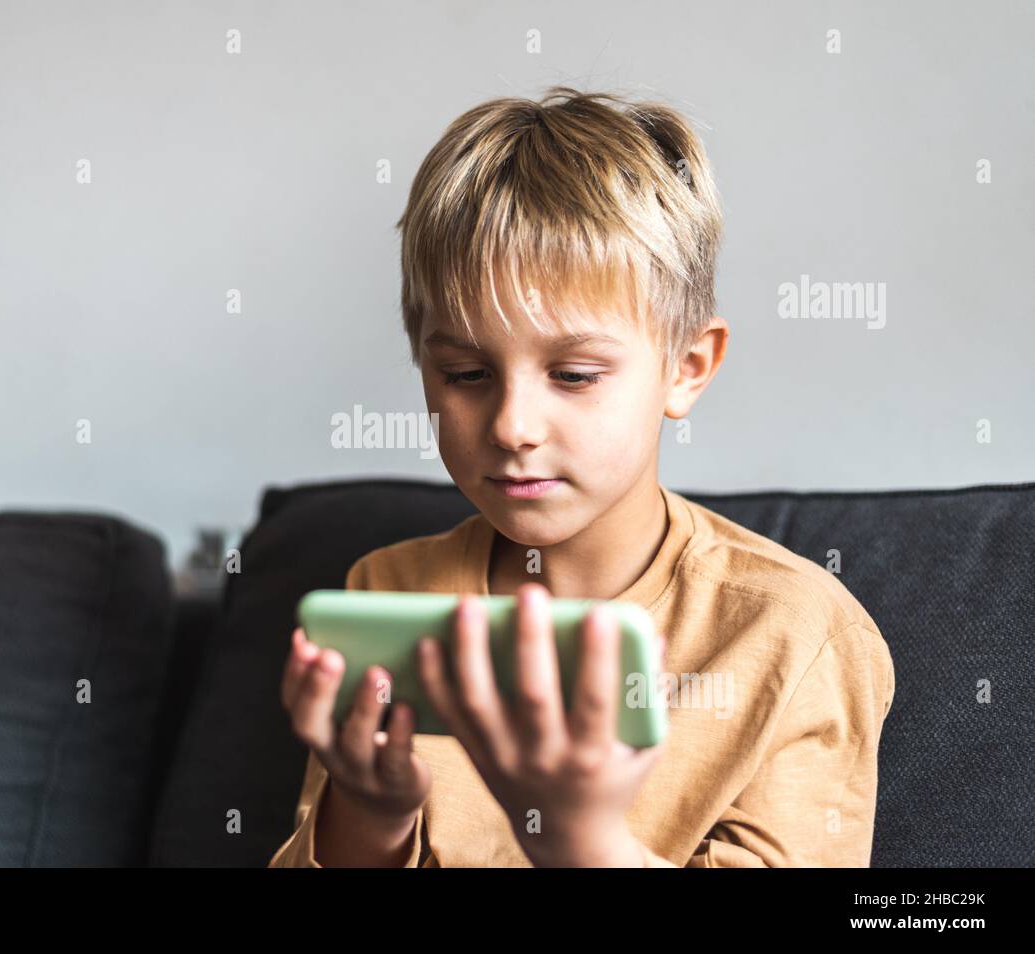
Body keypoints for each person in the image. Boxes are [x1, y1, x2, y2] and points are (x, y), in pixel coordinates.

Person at [269, 87, 895, 867]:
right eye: (465, 374)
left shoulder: (790, 634)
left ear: (686, 368)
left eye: (572, 374)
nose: (512, 426)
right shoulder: (387, 591)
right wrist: (369, 817)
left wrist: (579, 838)